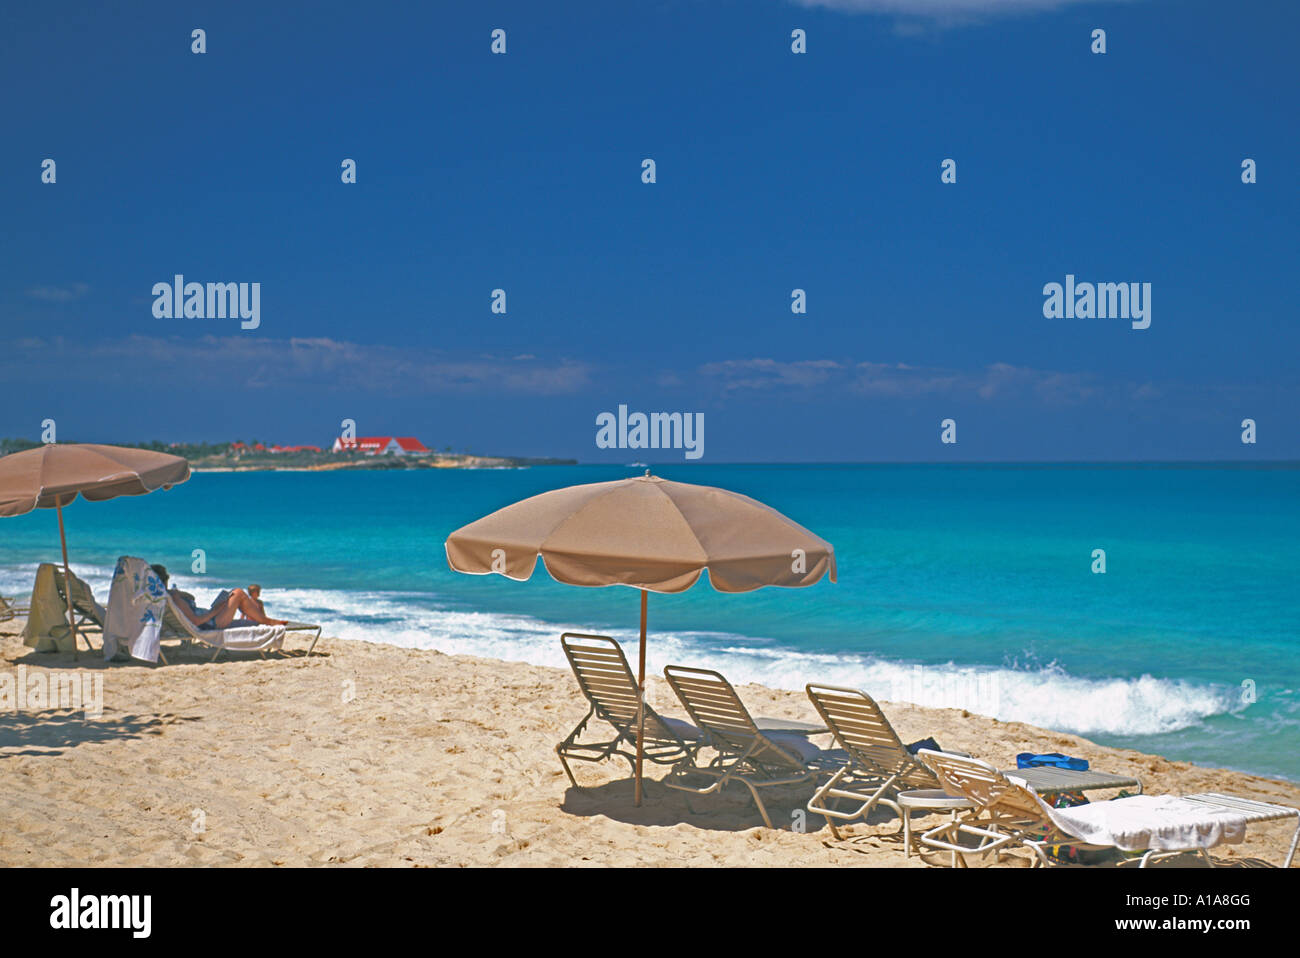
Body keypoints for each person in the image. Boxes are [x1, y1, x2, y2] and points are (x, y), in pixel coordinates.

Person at [150, 564, 288, 628]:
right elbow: (196, 622)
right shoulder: (173, 598)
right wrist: (215, 611)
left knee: (234, 595)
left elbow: (192, 598)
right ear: (165, 580)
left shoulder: (166, 596)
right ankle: (268, 621)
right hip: (210, 624)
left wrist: (178, 593)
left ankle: (264, 620)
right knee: (238, 593)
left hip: (208, 620)